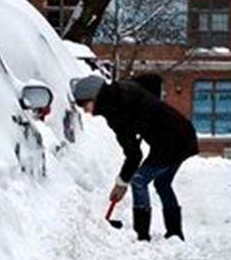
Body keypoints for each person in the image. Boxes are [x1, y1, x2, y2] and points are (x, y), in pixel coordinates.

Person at [72, 74, 199, 241]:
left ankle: (142, 234)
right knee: (162, 183)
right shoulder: (123, 92)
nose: (86, 111)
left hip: (172, 140)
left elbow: (134, 154)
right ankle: (174, 232)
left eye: (84, 104)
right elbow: (152, 80)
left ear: (95, 97)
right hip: (183, 133)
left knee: (139, 180)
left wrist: (122, 183)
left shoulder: (118, 110)